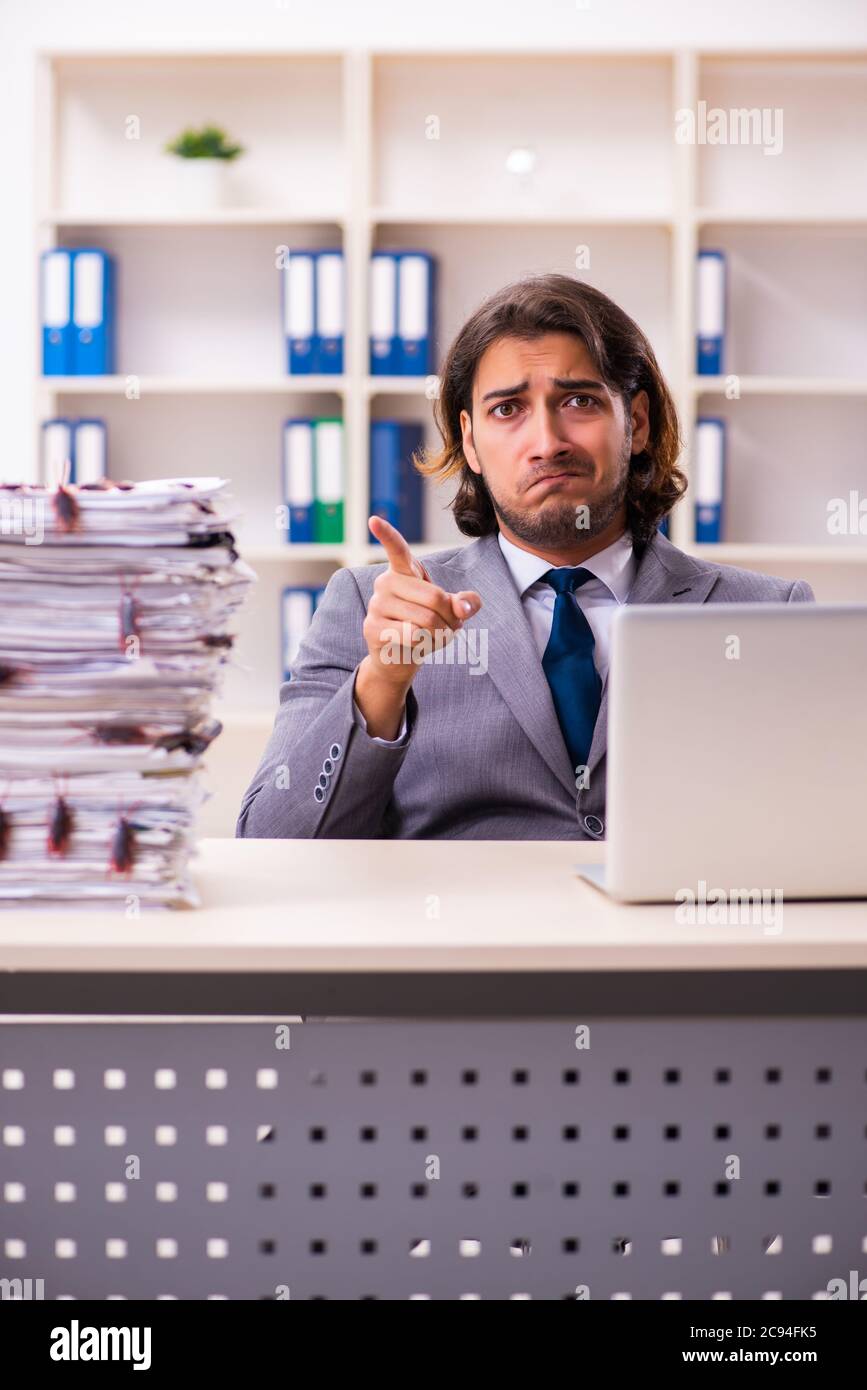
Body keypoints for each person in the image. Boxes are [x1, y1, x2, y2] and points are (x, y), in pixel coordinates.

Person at [236, 273, 813, 841]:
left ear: (635, 424)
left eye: (579, 401)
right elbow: (272, 843)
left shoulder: (767, 613)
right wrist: (382, 684)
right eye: (508, 410)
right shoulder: (369, 607)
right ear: (470, 443)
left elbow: (824, 831)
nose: (547, 441)